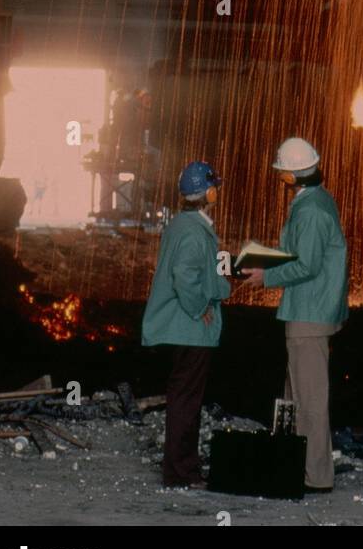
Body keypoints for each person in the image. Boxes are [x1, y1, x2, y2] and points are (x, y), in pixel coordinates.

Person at [243, 137, 348, 492]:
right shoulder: (315, 200)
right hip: (308, 309)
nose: (279, 176)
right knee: (296, 397)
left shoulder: (312, 210)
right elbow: (301, 254)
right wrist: (264, 256)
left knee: (310, 400)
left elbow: (308, 264)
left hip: (309, 311)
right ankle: (296, 465)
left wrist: (266, 275)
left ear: (292, 174)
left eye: (282, 171)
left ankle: (317, 477)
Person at [141, 160, 230, 489]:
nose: (217, 191)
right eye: (215, 187)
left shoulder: (182, 224)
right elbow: (184, 275)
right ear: (208, 191)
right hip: (190, 329)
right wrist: (201, 306)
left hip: (179, 328)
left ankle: (181, 470)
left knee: (183, 398)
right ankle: (182, 474)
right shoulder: (195, 232)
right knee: (186, 402)